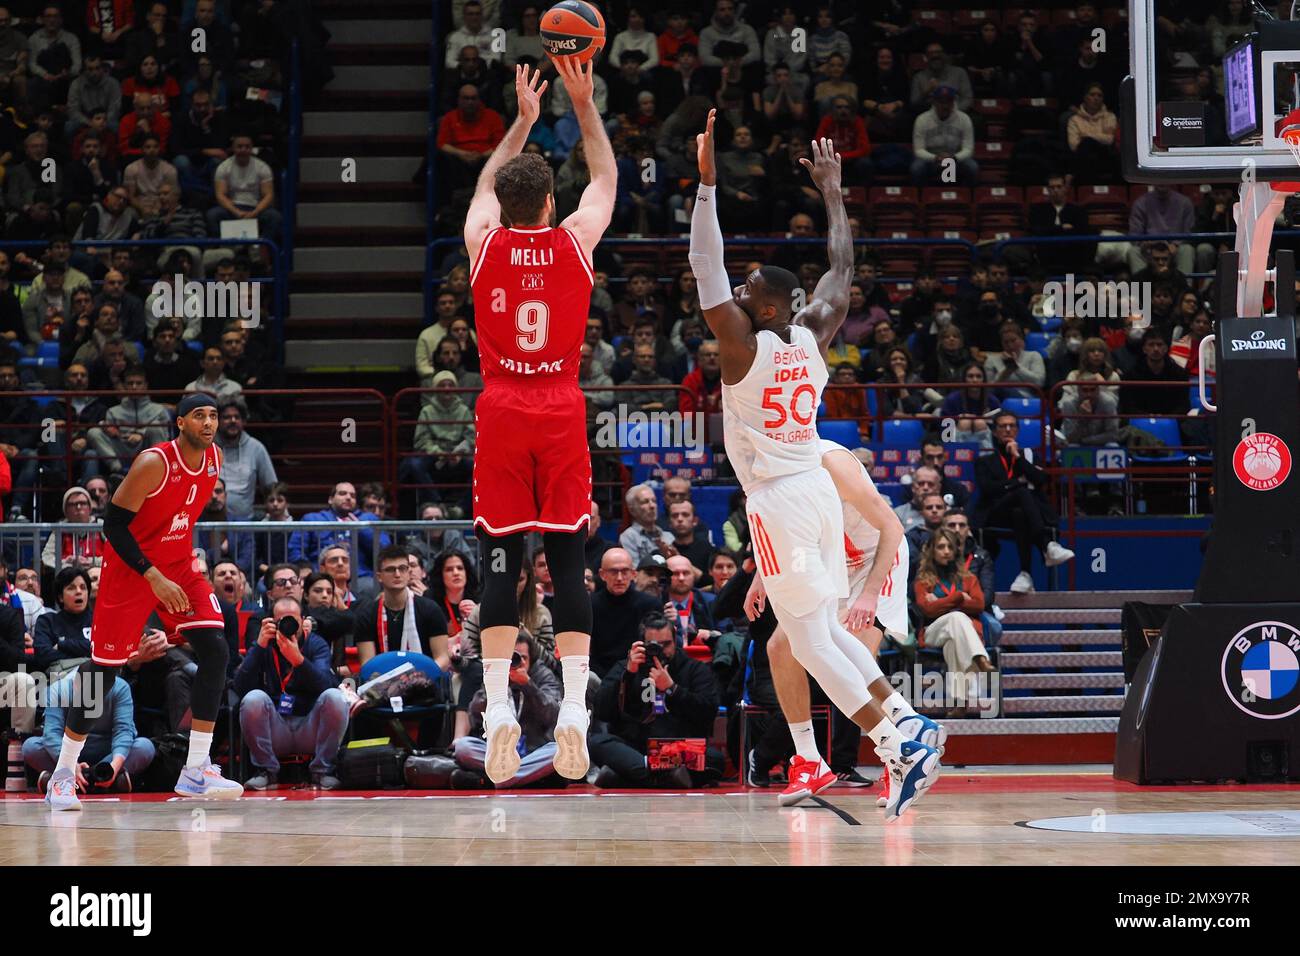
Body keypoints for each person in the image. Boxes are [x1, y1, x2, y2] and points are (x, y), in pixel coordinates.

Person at [690, 110, 941, 819]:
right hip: (814, 491)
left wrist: (707, 186)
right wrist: (833, 192)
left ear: (763, 306)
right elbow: (844, 269)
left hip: (781, 498)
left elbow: (704, 268)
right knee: (820, 632)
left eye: (746, 294)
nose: (734, 297)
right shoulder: (811, 332)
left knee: (806, 638)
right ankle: (901, 727)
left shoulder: (747, 347)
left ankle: (899, 737)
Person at [461, 62, 615, 785]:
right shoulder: (576, 240)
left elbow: (486, 187)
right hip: (559, 406)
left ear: (504, 202)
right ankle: (575, 712)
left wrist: (520, 120)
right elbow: (607, 179)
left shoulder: (483, 239)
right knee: (568, 564)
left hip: (500, 409)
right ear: (551, 203)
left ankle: (497, 713)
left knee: (499, 560)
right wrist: (582, 106)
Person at [43, 393, 243, 811]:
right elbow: (112, 526)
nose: (209, 423)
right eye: (199, 416)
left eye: (213, 416)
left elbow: (179, 515)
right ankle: (62, 774)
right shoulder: (154, 463)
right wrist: (152, 575)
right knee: (103, 672)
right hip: (132, 571)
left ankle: (196, 769)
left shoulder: (215, 458)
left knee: (215, 648)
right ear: (181, 423)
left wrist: (176, 565)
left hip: (179, 565)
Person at [753, 439, 936, 805]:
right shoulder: (774, 471)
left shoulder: (831, 461)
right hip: (830, 562)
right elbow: (775, 533)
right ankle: (808, 758)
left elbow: (892, 528)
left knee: (855, 648)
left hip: (876, 558)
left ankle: (898, 754)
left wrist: (869, 594)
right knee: (780, 647)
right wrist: (761, 578)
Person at [589, 612, 724, 788]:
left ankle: (628, 776)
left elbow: (708, 712)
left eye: (666, 644)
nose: (660, 651)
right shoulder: (626, 666)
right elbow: (601, 710)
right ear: (642, 644)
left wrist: (672, 689)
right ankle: (664, 777)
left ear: (676, 640)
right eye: (653, 645)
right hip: (636, 748)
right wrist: (628, 674)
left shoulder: (695, 669)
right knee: (596, 742)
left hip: (679, 749)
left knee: (714, 759)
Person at [235, 595, 349, 790]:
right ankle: (267, 772)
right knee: (253, 699)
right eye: (281, 621)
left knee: (336, 698)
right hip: (275, 727)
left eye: (293, 620)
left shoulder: (316, 643)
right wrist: (259, 646)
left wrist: (299, 660)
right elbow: (240, 686)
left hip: (310, 725)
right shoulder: (264, 644)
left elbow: (327, 684)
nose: (287, 626)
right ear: (272, 622)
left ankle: (322, 772)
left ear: (303, 620)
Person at [974, 412, 1074, 595]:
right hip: (996, 514)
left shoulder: (1027, 456)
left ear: (1017, 431)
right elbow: (988, 488)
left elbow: (1041, 480)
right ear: (994, 432)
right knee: (1022, 492)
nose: (1008, 429)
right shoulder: (984, 461)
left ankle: (1025, 575)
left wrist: (1017, 458)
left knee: (1020, 513)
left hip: (1023, 515)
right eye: (1003, 426)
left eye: (1012, 426)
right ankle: (1047, 547)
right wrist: (1017, 483)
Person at [451, 631, 562, 789]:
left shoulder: (542, 675)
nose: (519, 661)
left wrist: (528, 685)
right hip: (498, 753)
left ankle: (499, 780)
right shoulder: (496, 675)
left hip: (533, 751)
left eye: (523, 657)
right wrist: (497, 686)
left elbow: (552, 715)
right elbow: (475, 717)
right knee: (463, 746)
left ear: (532, 658)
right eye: (514, 657)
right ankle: (520, 778)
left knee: (560, 751)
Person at [28, 671, 156, 795]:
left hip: (108, 754)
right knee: (31, 747)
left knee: (144, 747)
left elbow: (123, 731)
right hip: (68, 752)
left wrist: (114, 768)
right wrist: (70, 764)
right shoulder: (59, 690)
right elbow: (51, 734)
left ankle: (65, 783)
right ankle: (104, 783)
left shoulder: (120, 687)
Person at [913, 530, 995, 711]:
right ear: (932, 550)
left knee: (953, 640)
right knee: (958, 617)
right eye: (941, 547)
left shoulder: (969, 578)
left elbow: (979, 605)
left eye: (950, 547)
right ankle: (979, 659)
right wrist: (959, 598)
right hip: (933, 632)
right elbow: (927, 609)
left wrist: (940, 602)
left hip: (956, 634)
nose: (946, 551)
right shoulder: (923, 580)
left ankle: (958, 703)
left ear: (956, 551)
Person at [619, 483, 674, 566]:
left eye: (654, 501)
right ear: (632, 510)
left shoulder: (668, 536)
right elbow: (634, 572)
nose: (652, 506)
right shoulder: (628, 538)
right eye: (645, 502)